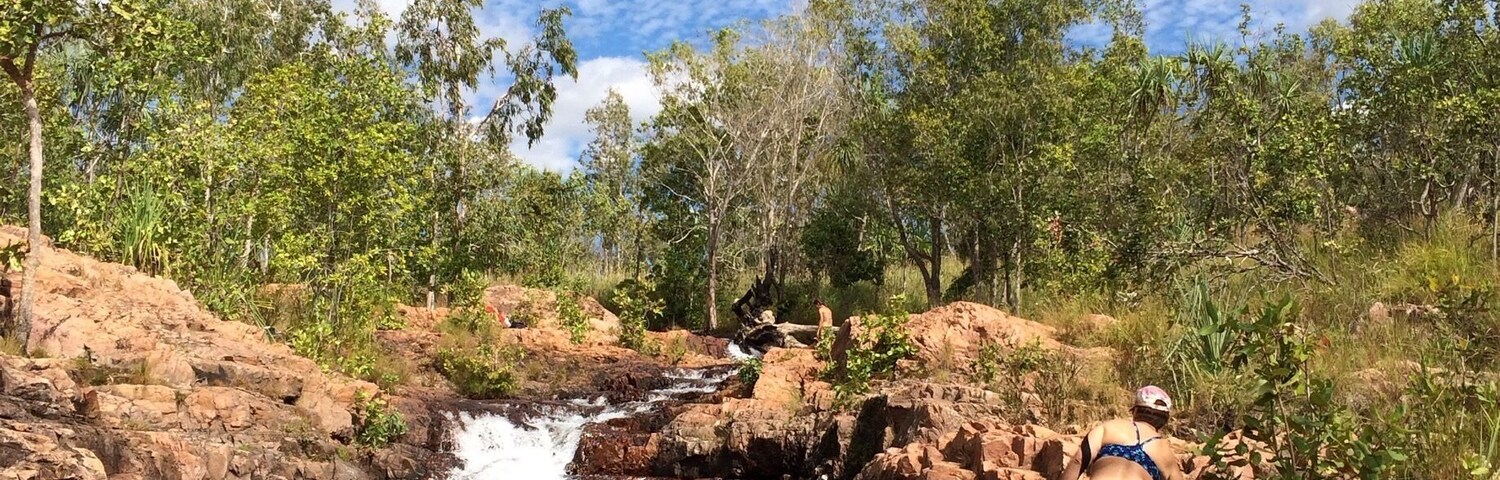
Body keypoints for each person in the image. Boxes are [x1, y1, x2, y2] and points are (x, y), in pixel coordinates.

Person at [1061, 386, 1184, 480]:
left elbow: (1078, 460)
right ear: (1164, 420)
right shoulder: (1165, 452)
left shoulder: (1110, 427)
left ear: (1135, 411)